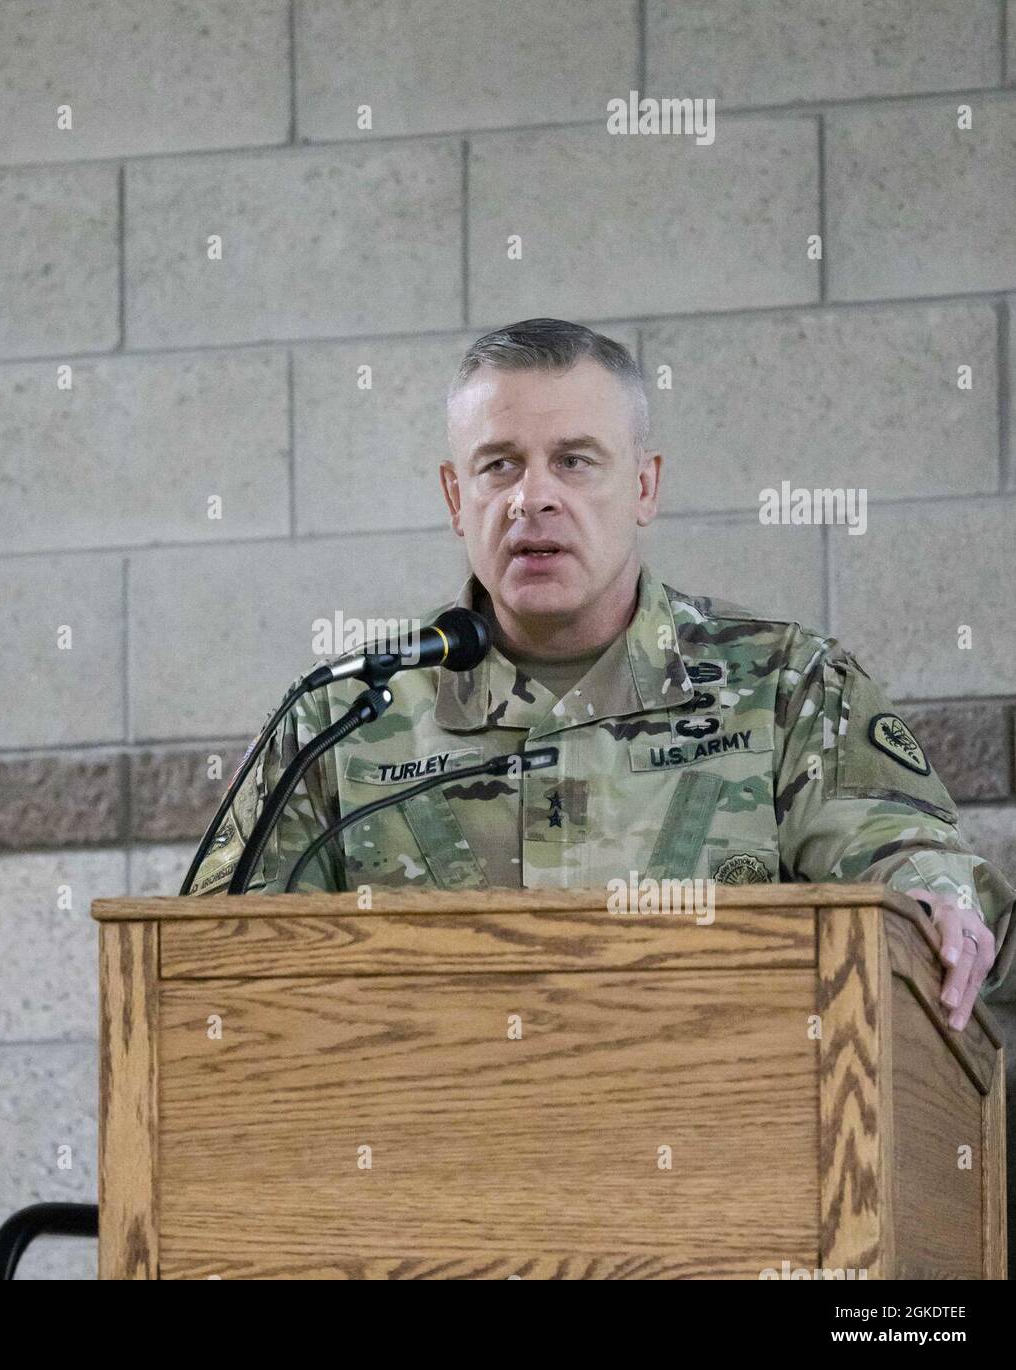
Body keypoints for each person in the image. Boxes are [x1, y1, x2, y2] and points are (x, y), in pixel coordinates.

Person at [186, 318, 1013, 1031]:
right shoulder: (343, 718)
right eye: (498, 465)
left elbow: (903, 861)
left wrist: (938, 898)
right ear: (455, 495)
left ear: (644, 485)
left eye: (575, 461)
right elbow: (207, 971)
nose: (531, 498)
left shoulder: (788, 688)